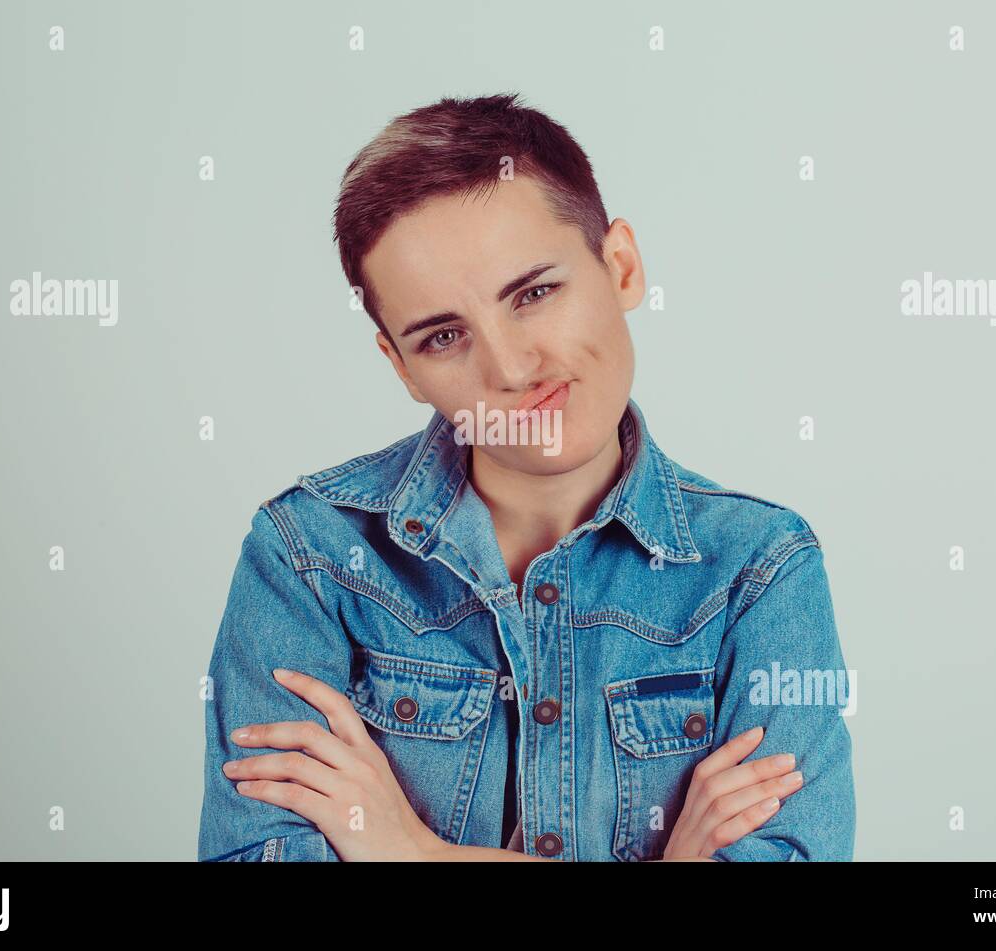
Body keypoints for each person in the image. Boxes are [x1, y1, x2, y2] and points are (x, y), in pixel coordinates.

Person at [198, 92, 855, 862]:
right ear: (400, 365)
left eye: (534, 294)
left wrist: (415, 853)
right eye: (444, 336)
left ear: (622, 267)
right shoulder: (308, 557)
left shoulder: (759, 567)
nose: (510, 370)